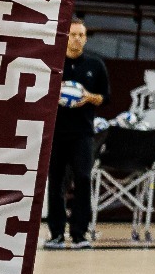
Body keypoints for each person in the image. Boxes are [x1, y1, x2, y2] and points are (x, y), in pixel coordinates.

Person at [43, 19, 108, 250]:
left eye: (81, 35)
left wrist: (87, 97)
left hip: (82, 134)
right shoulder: (54, 64)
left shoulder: (95, 65)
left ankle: (79, 234)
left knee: (82, 178)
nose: (77, 38)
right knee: (56, 182)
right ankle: (56, 234)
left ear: (86, 38)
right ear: (66, 37)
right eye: (73, 34)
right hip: (57, 133)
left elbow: (104, 98)